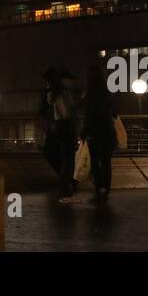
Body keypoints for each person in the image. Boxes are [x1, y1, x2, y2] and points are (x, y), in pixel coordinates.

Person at [41, 67, 80, 202]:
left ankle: (66, 187)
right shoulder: (61, 93)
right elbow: (65, 114)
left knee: (66, 159)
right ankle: (66, 189)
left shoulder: (53, 93)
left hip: (60, 128)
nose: (72, 83)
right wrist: (75, 108)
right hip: (65, 127)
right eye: (69, 80)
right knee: (69, 160)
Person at [82, 64, 117, 201]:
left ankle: (100, 186)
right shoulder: (107, 93)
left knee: (95, 161)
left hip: (95, 133)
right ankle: (106, 188)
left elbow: (89, 116)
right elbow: (113, 112)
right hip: (108, 131)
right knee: (106, 161)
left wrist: (84, 132)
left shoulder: (90, 95)